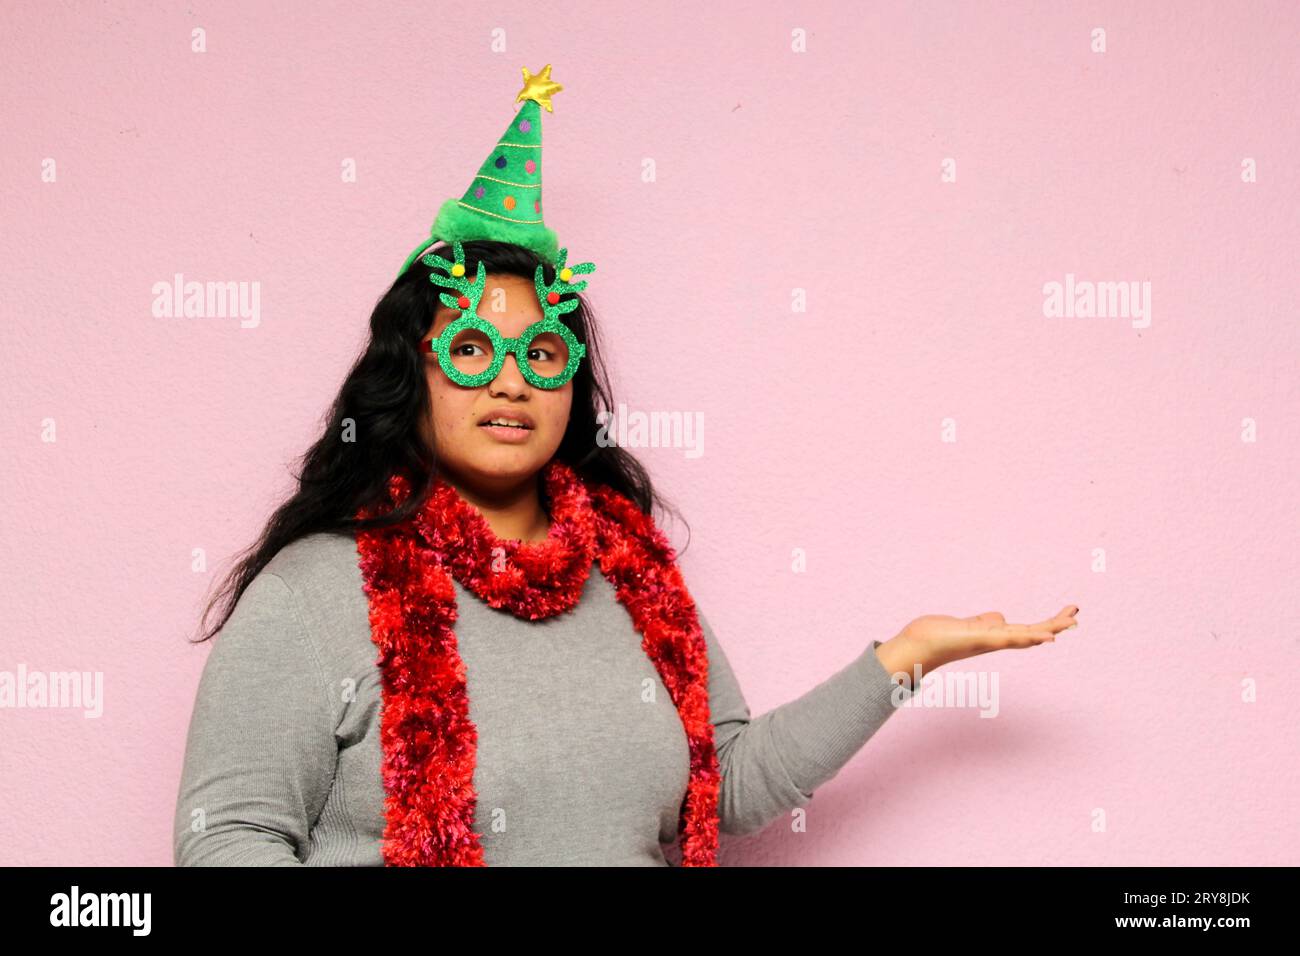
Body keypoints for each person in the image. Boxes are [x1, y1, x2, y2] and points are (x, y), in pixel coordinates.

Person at [173, 65, 1079, 867]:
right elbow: (227, 836)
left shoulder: (632, 575)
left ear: (571, 387)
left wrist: (904, 658)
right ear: (409, 374)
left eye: (541, 355)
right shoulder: (313, 594)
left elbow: (721, 792)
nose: (510, 382)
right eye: (472, 350)